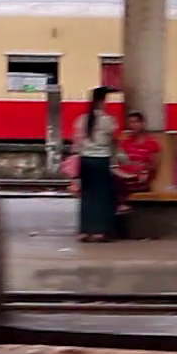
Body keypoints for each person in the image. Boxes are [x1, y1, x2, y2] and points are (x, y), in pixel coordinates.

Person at [74, 86, 119, 243]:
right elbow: (114, 141)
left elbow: (76, 143)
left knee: (87, 196)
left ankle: (85, 231)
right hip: (101, 160)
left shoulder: (82, 120)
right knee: (102, 196)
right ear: (102, 101)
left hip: (85, 160)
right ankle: (99, 231)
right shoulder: (107, 121)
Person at [113, 110, 162, 213]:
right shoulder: (125, 143)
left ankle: (122, 203)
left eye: (135, 122)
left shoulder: (151, 143)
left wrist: (145, 171)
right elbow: (120, 162)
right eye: (130, 123)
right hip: (124, 175)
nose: (133, 125)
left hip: (140, 177)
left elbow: (154, 165)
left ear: (142, 123)